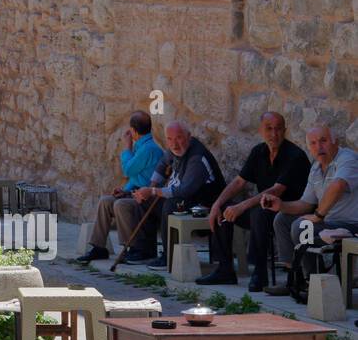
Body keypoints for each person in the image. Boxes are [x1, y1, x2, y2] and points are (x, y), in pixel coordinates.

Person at [201, 112, 311, 289]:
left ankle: (260, 273)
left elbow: (276, 190)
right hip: (264, 208)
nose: (274, 134)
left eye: (278, 129)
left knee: (259, 213)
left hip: (288, 211)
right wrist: (217, 204)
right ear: (261, 130)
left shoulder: (294, 155)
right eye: (269, 129)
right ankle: (225, 269)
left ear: (285, 130)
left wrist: (242, 206)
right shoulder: (259, 151)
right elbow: (239, 181)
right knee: (224, 209)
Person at [261, 125, 358, 295]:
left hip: (350, 224)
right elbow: (305, 203)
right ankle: (295, 277)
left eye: (323, 141)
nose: (318, 147)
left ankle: (314, 281)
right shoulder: (316, 167)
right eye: (313, 143)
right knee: (282, 219)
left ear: (335, 142)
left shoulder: (347, 158)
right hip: (328, 222)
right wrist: (281, 205)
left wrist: (318, 215)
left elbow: (338, 185)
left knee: (302, 226)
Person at [126, 120, 225, 267]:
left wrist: (153, 191)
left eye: (179, 138)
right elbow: (162, 164)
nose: (174, 144)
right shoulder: (176, 149)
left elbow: (185, 191)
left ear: (188, 136)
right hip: (187, 198)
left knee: (170, 205)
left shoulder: (196, 158)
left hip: (203, 203)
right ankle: (144, 251)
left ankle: (168, 256)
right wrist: (152, 186)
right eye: (170, 139)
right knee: (145, 200)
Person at [77, 111, 165, 263]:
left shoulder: (148, 149)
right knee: (106, 201)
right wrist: (124, 190)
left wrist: (126, 147)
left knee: (120, 204)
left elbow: (128, 170)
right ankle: (99, 247)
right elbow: (136, 176)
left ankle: (131, 247)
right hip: (135, 191)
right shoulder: (142, 146)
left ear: (133, 131)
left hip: (148, 196)